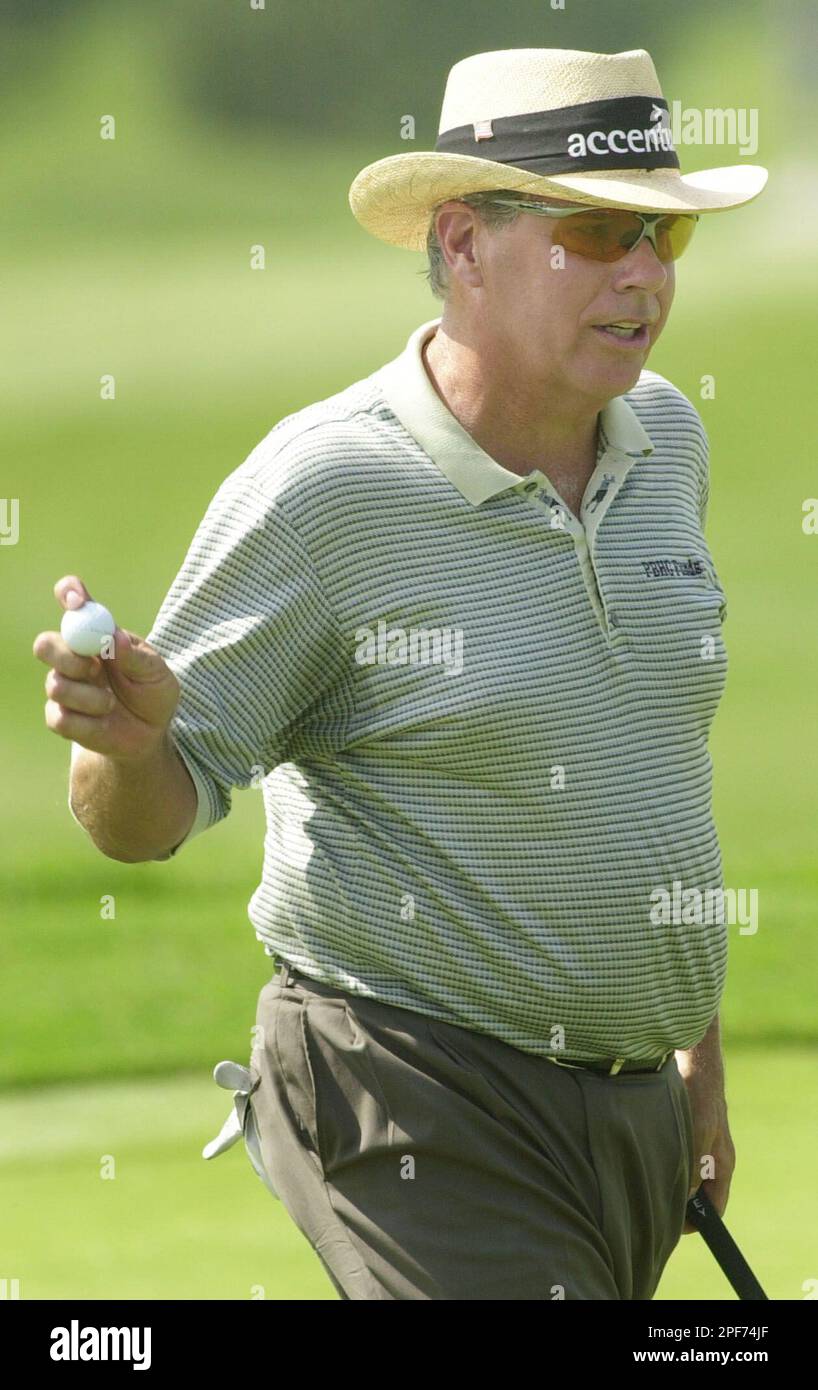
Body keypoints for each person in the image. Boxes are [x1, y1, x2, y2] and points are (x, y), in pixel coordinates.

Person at [33, 46, 767, 1299]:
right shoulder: (326, 490)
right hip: (415, 1094)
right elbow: (142, 824)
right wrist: (123, 746)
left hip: (631, 1110)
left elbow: (646, 765)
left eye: (659, 235)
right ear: (463, 245)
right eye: (596, 232)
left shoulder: (666, 439)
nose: (643, 273)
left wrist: (683, 1052)